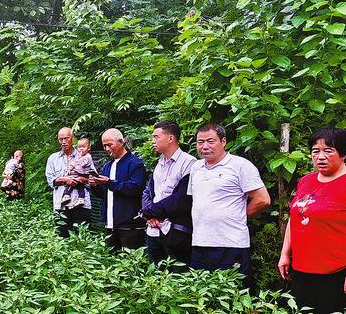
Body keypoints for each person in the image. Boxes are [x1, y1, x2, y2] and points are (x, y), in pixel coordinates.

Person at [278, 128, 346, 314]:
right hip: (302, 271)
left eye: (328, 151)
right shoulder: (305, 181)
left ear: (343, 154)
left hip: (338, 274)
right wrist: (285, 254)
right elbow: (295, 218)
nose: (320, 156)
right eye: (315, 151)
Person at [187, 123, 270, 289]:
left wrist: (238, 214)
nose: (204, 146)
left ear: (223, 141)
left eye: (210, 141)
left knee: (233, 295)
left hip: (230, 244)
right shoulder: (196, 167)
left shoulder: (240, 165)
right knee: (201, 295)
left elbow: (263, 199)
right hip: (200, 242)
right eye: (200, 142)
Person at [141, 121, 196, 267]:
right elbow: (148, 191)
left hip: (176, 231)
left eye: (156, 137)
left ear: (171, 138)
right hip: (153, 230)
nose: (153, 141)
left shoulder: (189, 163)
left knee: (178, 278)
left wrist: (150, 212)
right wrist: (148, 214)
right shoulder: (158, 162)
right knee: (155, 278)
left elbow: (182, 199)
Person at [88, 128, 146, 251]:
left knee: (131, 264)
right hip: (109, 224)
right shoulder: (107, 166)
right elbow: (104, 194)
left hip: (130, 226)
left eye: (110, 145)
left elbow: (135, 188)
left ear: (121, 142)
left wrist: (109, 183)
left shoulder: (135, 163)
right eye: (104, 146)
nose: (107, 149)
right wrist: (95, 186)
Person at [46, 127, 91, 237]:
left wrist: (79, 179)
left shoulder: (84, 156)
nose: (64, 142)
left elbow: (91, 178)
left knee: (81, 238)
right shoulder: (53, 158)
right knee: (62, 239)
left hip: (81, 204)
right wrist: (66, 179)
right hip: (61, 205)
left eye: (66, 138)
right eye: (61, 139)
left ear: (73, 138)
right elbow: (50, 181)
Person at [61, 137, 97, 208]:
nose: (81, 149)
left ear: (88, 148)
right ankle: (74, 197)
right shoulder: (78, 156)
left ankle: (70, 196)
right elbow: (74, 163)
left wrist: (80, 157)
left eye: (83, 147)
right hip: (79, 173)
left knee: (75, 181)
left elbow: (83, 164)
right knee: (76, 184)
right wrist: (70, 168)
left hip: (85, 174)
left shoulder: (88, 156)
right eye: (79, 147)